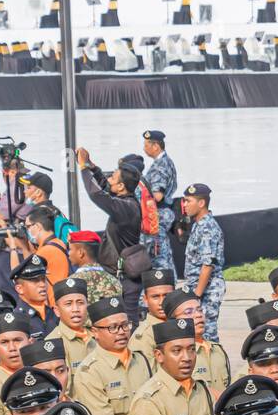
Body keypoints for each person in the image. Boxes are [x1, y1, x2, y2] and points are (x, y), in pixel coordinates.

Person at [72, 296, 153, 415]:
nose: (121, 332)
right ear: (95, 332)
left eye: (125, 325)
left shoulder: (141, 360)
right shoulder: (90, 371)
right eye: (112, 328)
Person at [76, 148, 141, 274]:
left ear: (121, 186)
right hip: (115, 268)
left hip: (119, 273)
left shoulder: (127, 207)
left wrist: (83, 168)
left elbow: (96, 195)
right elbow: (105, 185)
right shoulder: (125, 199)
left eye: (112, 177)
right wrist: (91, 165)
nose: (109, 179)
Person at [182, 184, 227, 342]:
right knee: (197, 335)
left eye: (188, 201)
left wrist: (197, 296)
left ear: (201, 203)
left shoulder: (207, 228)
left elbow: (207, 265)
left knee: (207, 335)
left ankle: (214, 358)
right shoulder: (199, 224)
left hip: (207, 290)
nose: (184, 205)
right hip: (198, 288)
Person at [141, 129, 178, 269]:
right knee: (165, 255)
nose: (144, 148)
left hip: (157, 216)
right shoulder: (166, 161)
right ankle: (170, 280)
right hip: (162, 214)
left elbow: (157, 195)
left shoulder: (160, 166)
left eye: (146, 145)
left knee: (159, 258)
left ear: (156, 146)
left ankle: (165, 281)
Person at [47, 277, 94, 372]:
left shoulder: (98, 334)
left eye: (80, 303)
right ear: (57, 311)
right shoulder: (53, 343)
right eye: (68, 304)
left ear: (88, 307)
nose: (75, 309)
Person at [9, 254, 59, 337]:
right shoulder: (16, 320)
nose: (42, 284)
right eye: (35, 281)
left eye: (43, 279)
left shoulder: (54, 313)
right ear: (19, 289)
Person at [66, 231, 122, 303]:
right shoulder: (113, 280)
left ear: (80, 253)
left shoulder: (72, 282)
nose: (68, 253)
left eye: (70, 249)